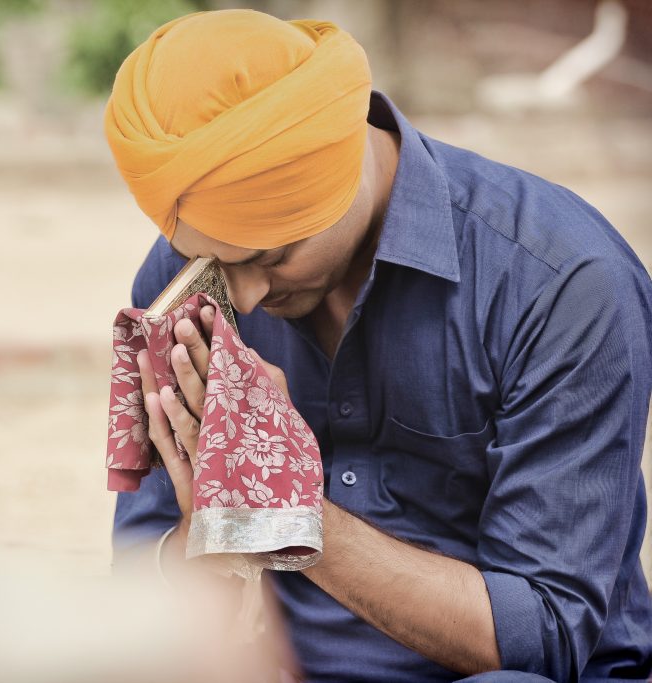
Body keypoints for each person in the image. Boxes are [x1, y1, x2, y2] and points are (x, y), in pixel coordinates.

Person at [102, 9, 652, 683]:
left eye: (272, 254)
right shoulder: (183, 288)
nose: (241, 299)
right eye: (210, 261)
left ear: (341, 170)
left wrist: (288, 512)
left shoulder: (562, 284)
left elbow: (542, 635)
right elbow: (139, 594)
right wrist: (211, 534)